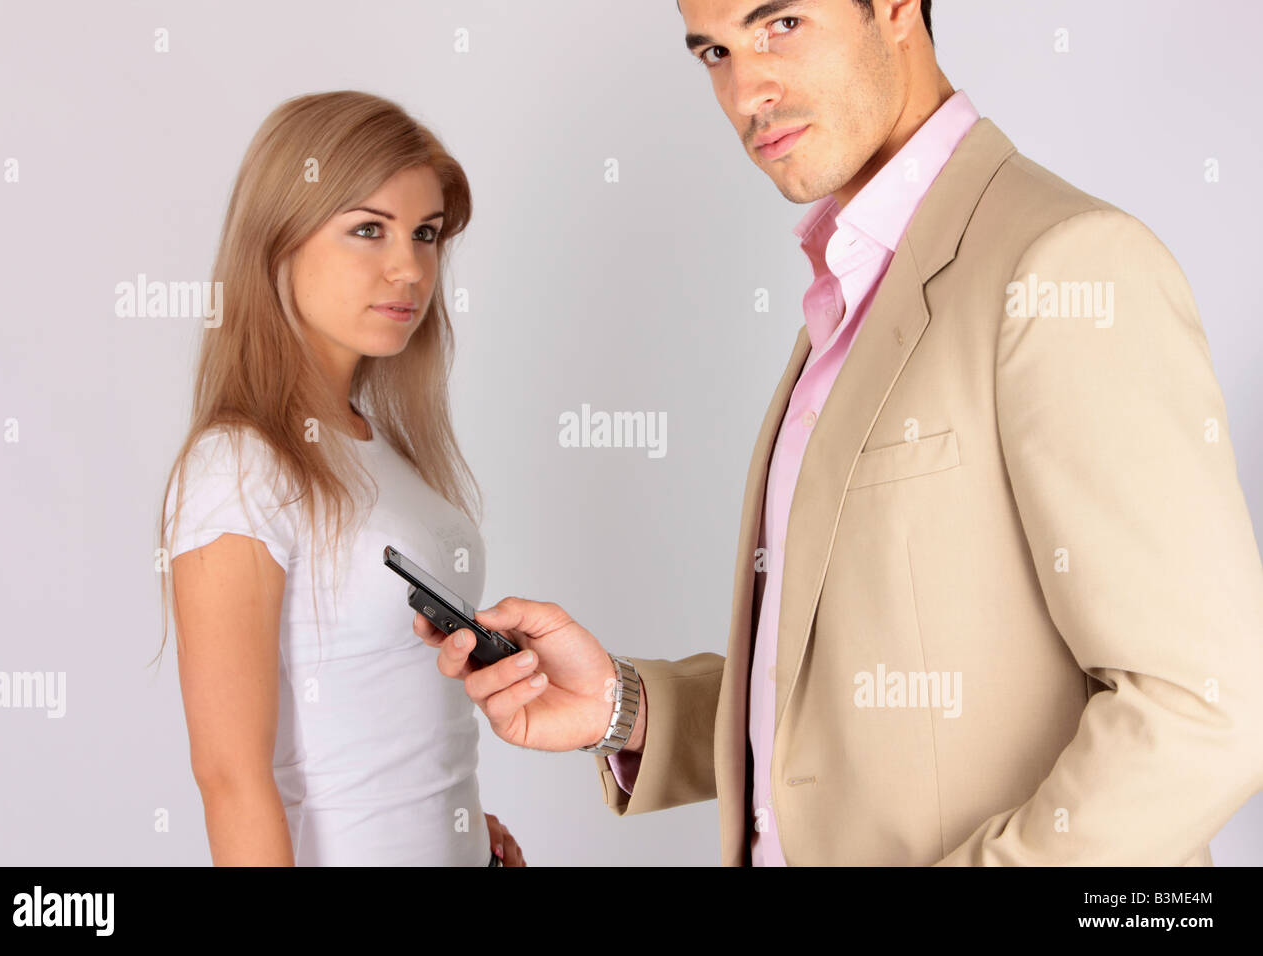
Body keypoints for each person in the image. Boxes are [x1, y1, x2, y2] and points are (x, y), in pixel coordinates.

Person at [416, 0, 1263, 865]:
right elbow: (881, 687)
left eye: (779, 24)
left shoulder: (1065, 265)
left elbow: (1205, 705)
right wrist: (625, 709)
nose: (747, 89)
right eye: (714, 50)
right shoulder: (856, 285)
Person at [156, 90, 524, 866]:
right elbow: (229, 774)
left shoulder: (384, 451)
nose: (409, 268)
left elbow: (393, 717)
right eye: (368, 230)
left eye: (425, 235)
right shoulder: (238, 466)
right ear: (278, 240)